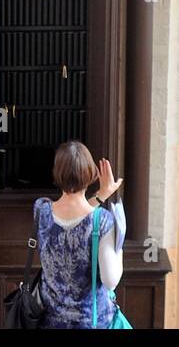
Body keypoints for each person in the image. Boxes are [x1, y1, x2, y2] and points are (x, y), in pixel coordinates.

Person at [33, 140, 126, 328]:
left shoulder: (41, 210)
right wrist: (119, 248)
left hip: (50, 321)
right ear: (91, 174)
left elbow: (75, 216)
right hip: (92, 322)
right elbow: (110, 281)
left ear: (56, 173)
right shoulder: (103, 221)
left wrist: (101, 195)